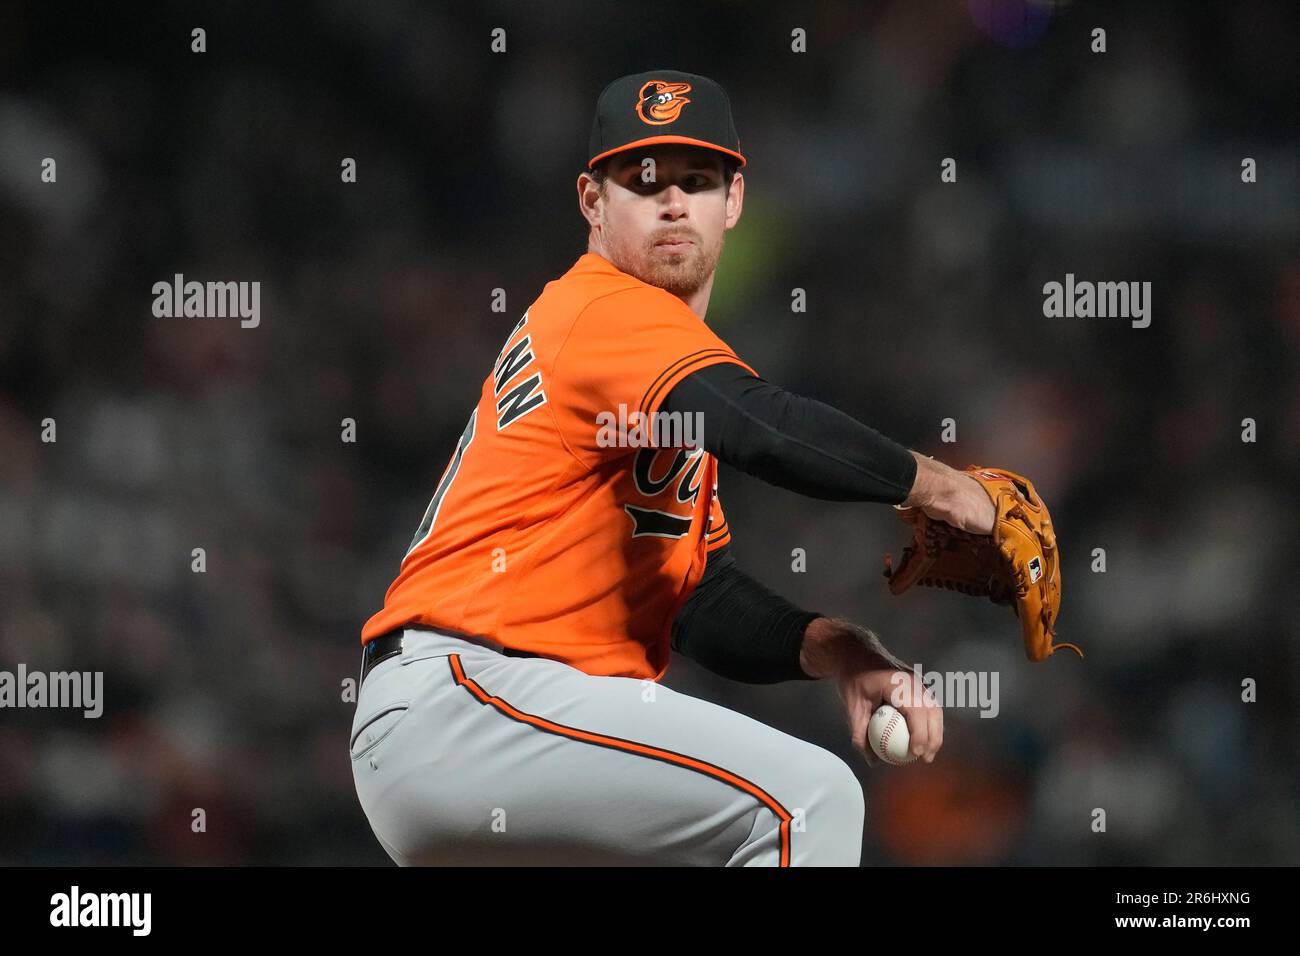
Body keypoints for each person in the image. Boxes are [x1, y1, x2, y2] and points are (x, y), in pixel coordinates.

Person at [349, 70, 996, 866]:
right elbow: (764, 427)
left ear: (734, 202)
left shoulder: (657, 379)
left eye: (698, 179)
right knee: (808, 800)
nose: (673, 201)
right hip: (474, 701)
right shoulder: (606, 308)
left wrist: (841, 651)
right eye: (642, 181)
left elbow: (698, 601)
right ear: (592, 202)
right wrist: (941, 483)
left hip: (481, 735)